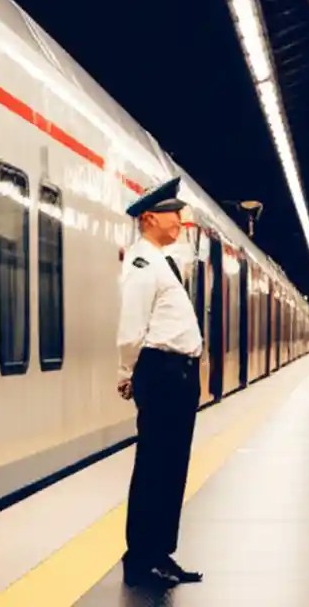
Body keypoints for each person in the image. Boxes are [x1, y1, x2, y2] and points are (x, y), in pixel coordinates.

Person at [115, 176, 205, 589]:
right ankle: (141, 559)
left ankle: (160, 554)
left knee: (172, 467)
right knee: (155, 467)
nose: (181, 221)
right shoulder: (141, 264)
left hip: (177, 374)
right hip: (161, 372)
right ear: (150, 218)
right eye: (175, 214)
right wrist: (126, 370)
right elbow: (132, 326)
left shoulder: (161, 260)